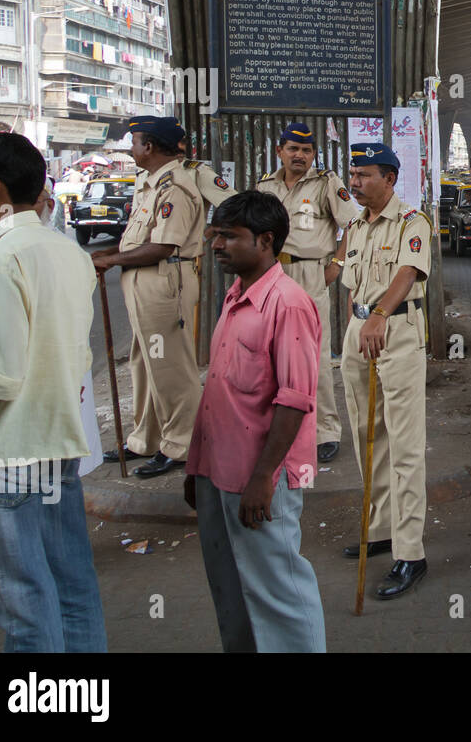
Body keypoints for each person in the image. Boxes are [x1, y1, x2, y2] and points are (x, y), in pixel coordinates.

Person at [0, 132, 107, 652]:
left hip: (4, 455)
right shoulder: (65, 252)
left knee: (25, 609)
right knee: (72, 590)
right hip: (55, 447)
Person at [185, 191, 326, 652]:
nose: (216, 245)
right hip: (217, 471)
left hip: (260, 476)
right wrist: (195, 467)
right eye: (216, 235)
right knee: (232, 588)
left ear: (265, 240)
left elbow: (294, 399)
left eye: (229, 236)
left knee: (278, 592)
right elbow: (218, 393)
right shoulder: (236, 294)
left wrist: (263, 477)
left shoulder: (288, 303)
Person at [337, 143, 433, 600]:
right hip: (359, 330)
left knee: (405, 443)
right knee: (365, 433)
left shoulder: (413, 221)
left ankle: (411, 552)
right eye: (352, 174)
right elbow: (345, 274)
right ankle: (379, 530)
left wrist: (378, 314)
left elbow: (407, 274)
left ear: (390, 178)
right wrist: (359, 319)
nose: (354, 182)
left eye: (364, 174)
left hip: (395, 330)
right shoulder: (356, 225)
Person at [92, 116, 203, 478]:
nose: (131, 147)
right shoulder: (149, 183)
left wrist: (110, 259)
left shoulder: (175, 187)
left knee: (169, 365)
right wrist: (112, 256)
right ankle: (146, 438)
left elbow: (163, 245)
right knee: (144, 363)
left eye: (135, 141)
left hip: (163, 280)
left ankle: (183, 444)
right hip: (142, 283)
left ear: (150, 146)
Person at [257, 122, 359, 463]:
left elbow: (354, 224)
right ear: (279, 151)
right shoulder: (264, 186)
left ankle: (325, 431)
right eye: (293, 149)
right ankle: (280, 428)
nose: (299, 156)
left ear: (313, 154)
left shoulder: (326, 183)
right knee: (273, 354)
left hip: (311, 273)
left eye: (306, 150)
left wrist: (338, 265)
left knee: (313, 356)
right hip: (271, 273)